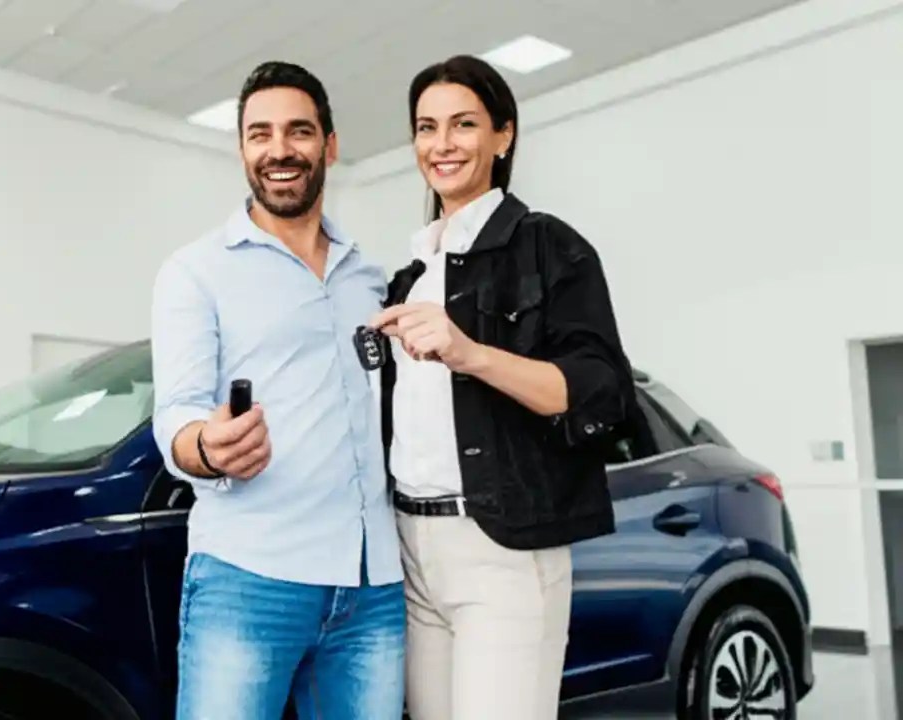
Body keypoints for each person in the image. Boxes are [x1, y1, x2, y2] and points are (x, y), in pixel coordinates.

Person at [368, 54, 638, 720]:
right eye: (427, 128)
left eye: (464, 124)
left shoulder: (549, 248)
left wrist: (469, 352)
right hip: (411, 545)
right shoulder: (408, 276)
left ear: (503, 136)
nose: (442, 144)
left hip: (502, 547)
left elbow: (600, 393)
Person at [150, 61, 405, 720]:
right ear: (242, 150)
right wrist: (206, 445)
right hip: (249, 580)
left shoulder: (368, 278)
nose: (279, 149)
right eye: (259, 134)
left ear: (330, 144)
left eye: (298, 131)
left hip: (372, 590)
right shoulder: (194, 272)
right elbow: (175, 412)